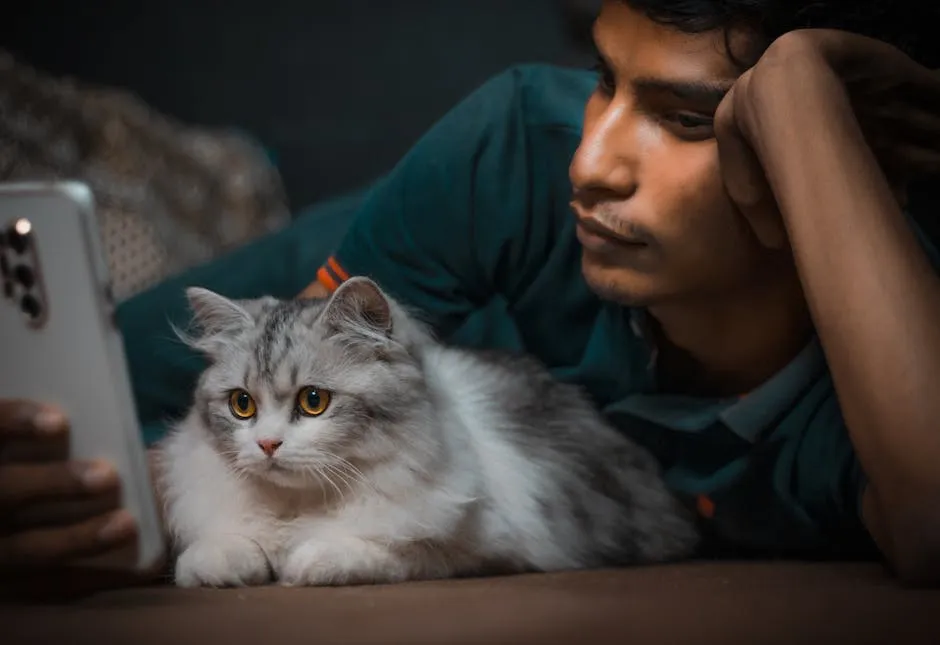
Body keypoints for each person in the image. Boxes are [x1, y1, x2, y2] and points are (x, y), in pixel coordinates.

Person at [2, 0, 939, 588]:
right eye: (602, 82)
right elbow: (268, 403)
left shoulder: (878, 376)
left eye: (688, 119)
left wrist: (807, 99)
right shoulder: (517, 147)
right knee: (49, 396)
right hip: (318, 338)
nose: (591, 161)